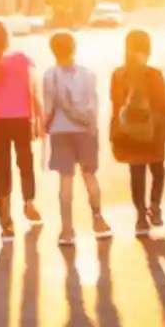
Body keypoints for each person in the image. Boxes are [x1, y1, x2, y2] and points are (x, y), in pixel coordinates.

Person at [43, 31, 111, 246]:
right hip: (84, 131)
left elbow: (48, 108)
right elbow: (94, 105)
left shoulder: (49, 76)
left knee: (65, 180)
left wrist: (44, 127)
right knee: (89, 175)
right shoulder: (88, 74)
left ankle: (67, 229)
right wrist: (91, 126)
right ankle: (98, 219)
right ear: (74, 48)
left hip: (60, 131)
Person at [0, 19, 44, 241]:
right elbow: (33, 91)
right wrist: (38, 120)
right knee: (25, 163)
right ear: (6, 39)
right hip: (22, 120)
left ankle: (5, 220)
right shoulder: (22, 59)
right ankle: (29, 202)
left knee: (2, 168)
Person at [109, 30, 165, 237]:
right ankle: (155, 205)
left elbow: (115, 104)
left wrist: (115, 130)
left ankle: (141, 217)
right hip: (153, 131)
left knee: (136, 173)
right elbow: (162, 104)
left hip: (128, 131)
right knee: (158, 170)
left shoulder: (118, 74)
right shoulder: (154, 74)